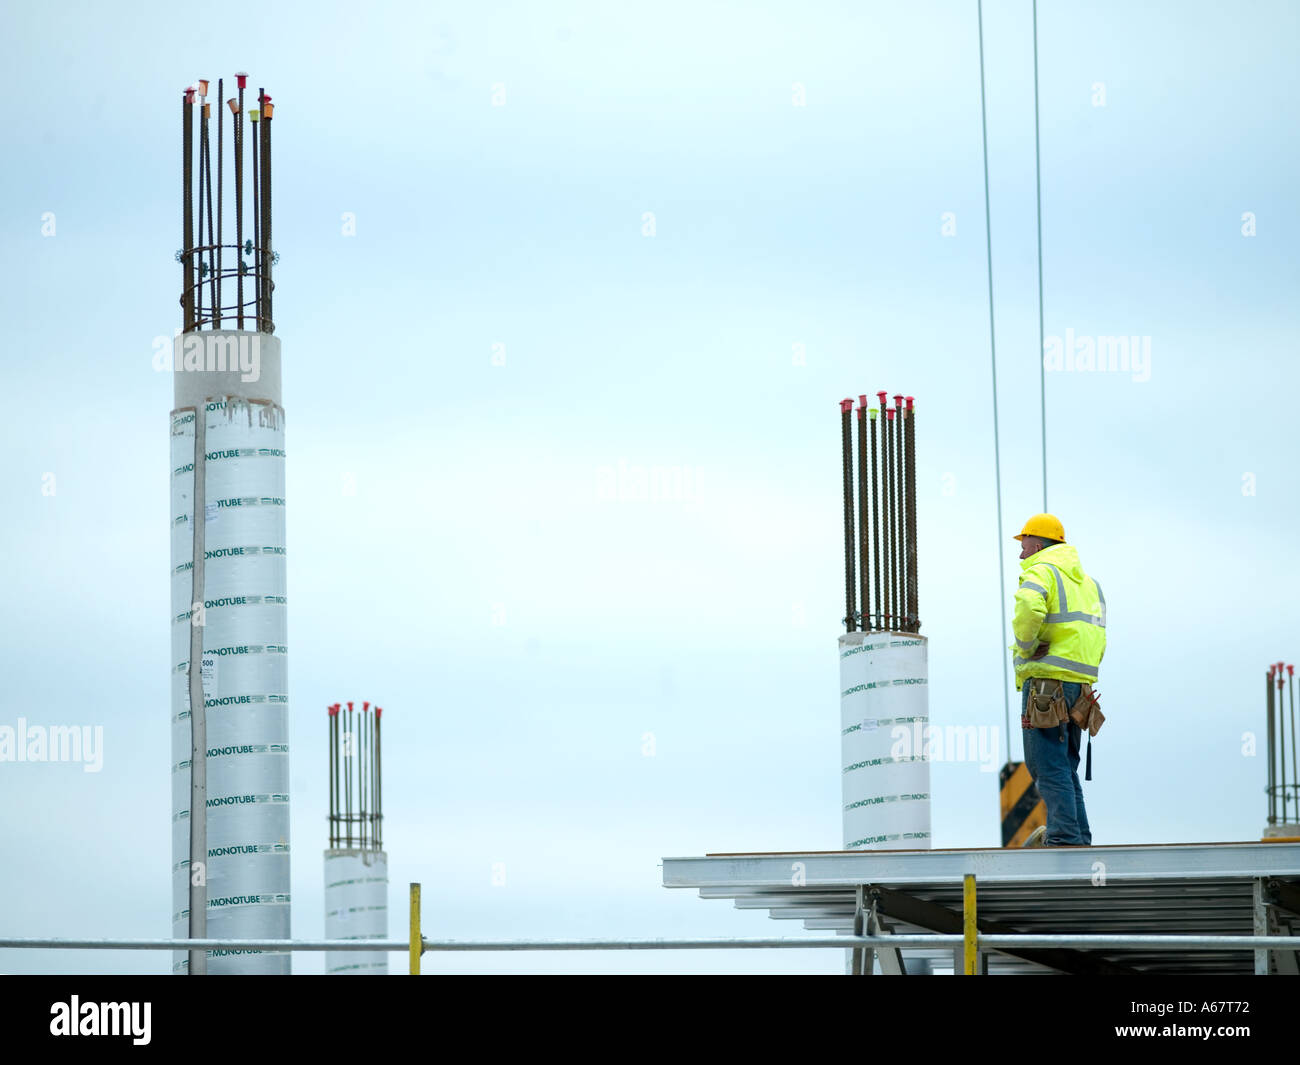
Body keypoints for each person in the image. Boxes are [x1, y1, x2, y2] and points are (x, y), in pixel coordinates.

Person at [1009, 514, 1106, 847]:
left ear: (1037, 544)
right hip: (1079, 687)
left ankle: (1064, 840)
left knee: (1047, 767)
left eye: (1024, 548)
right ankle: (1078, 838)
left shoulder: (1039, 571)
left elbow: (1028, 611)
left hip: (1046, 686)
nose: (1022, 556)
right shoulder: (1089, 583)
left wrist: (1029, 647)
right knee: (1065, 767)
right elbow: (1096, 634)